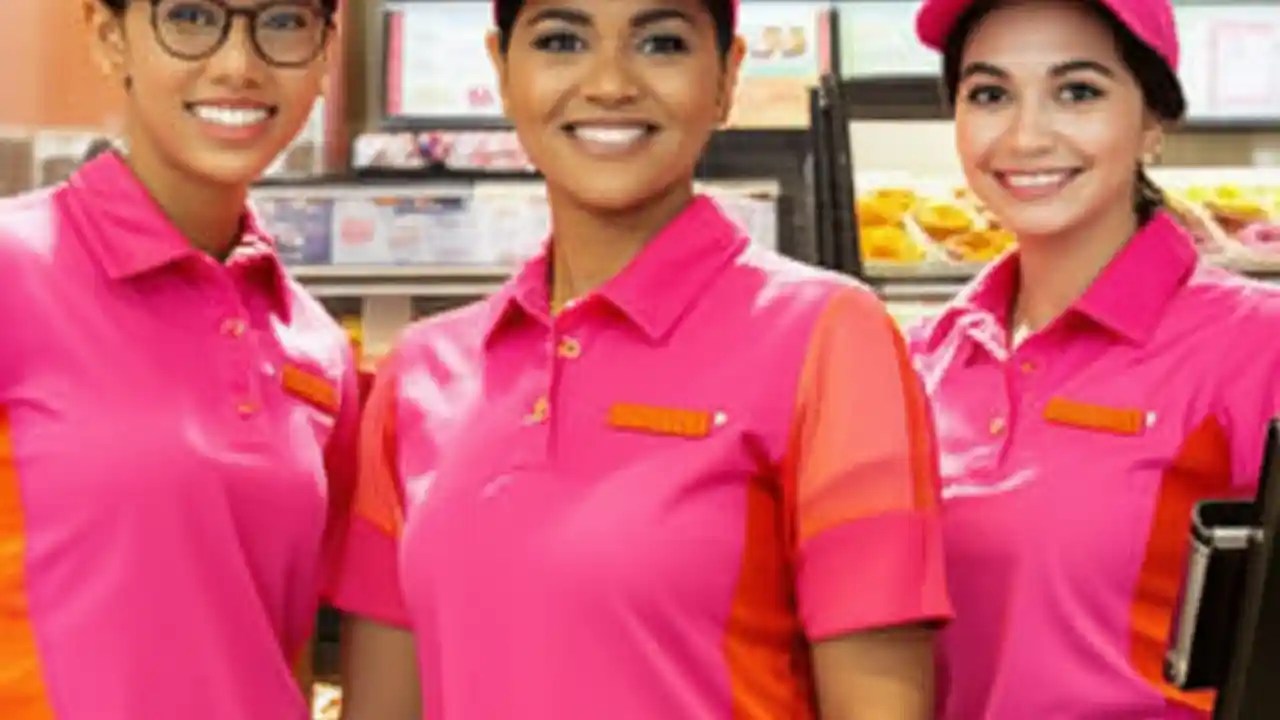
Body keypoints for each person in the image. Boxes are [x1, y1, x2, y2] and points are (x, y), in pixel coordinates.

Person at [330, 0, 951, 718]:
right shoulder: (421, 374)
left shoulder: (830, 338)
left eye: (660, 43)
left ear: (726, 80)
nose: (610, 83)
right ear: (503, 71)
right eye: (562, 40)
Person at [908, 0, 1280, 717]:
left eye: (1077, 91)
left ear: (1151, 122)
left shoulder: (1256, 348)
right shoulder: (918, 359)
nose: (1026, 135)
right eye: (989, 94)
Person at [0, 1, 356, 718]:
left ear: (323, 57)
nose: (237, 64)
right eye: (191, 16)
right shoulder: (14, 268)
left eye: (283, 23)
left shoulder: (317, 349)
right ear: (110, 39)